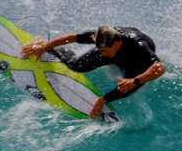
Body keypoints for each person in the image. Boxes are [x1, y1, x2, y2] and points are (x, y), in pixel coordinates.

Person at [21, 25, 165, 119]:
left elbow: (159, 68)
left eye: (103, 50)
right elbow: (71, 38)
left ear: (115, 43)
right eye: (99, 49)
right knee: (76, 65)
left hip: (134, 62)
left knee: (128, 87)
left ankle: (102, 99)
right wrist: (46, 46)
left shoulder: (138, 46)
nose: (100, 54)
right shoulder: (103, 36)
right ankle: (46, 46)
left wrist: (135, 81)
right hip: (114, 54)